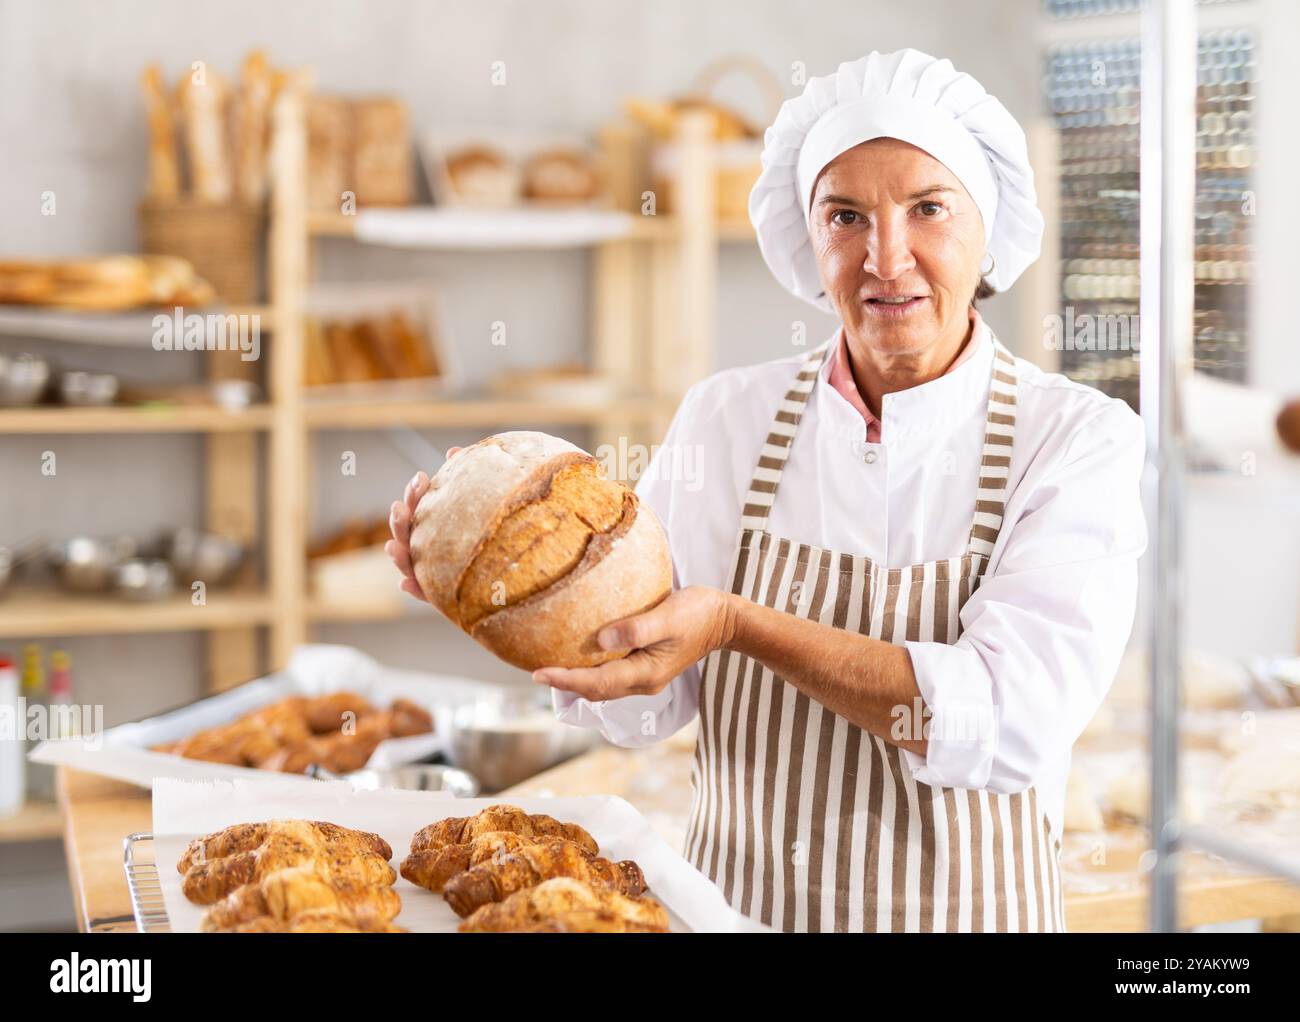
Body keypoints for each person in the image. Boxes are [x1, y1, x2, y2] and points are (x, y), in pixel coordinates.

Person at [388, 49, 1148, 932]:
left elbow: (1004, 720)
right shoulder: (729, 417)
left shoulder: (1074, 438)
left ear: (987, 228)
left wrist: (741, 624)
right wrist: (501, 595)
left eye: (928, 209)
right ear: (809, 234)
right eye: (847, 215)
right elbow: (648, 700)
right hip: (736, 915)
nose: (886, 257)